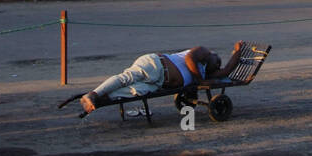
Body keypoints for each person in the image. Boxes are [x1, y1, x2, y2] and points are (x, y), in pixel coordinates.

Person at [79, 41, 249, 114]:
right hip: (156, 64)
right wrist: (200, 80)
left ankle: (100, 99)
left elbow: (226, 71)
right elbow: (190, 57)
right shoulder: (202, 52)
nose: (217, 66)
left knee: (133, 91)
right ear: (212, 55)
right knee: (126, 78)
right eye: (216, 62)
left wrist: (237, 52)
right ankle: (93, 94)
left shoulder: (206, 71)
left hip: (159, 83)